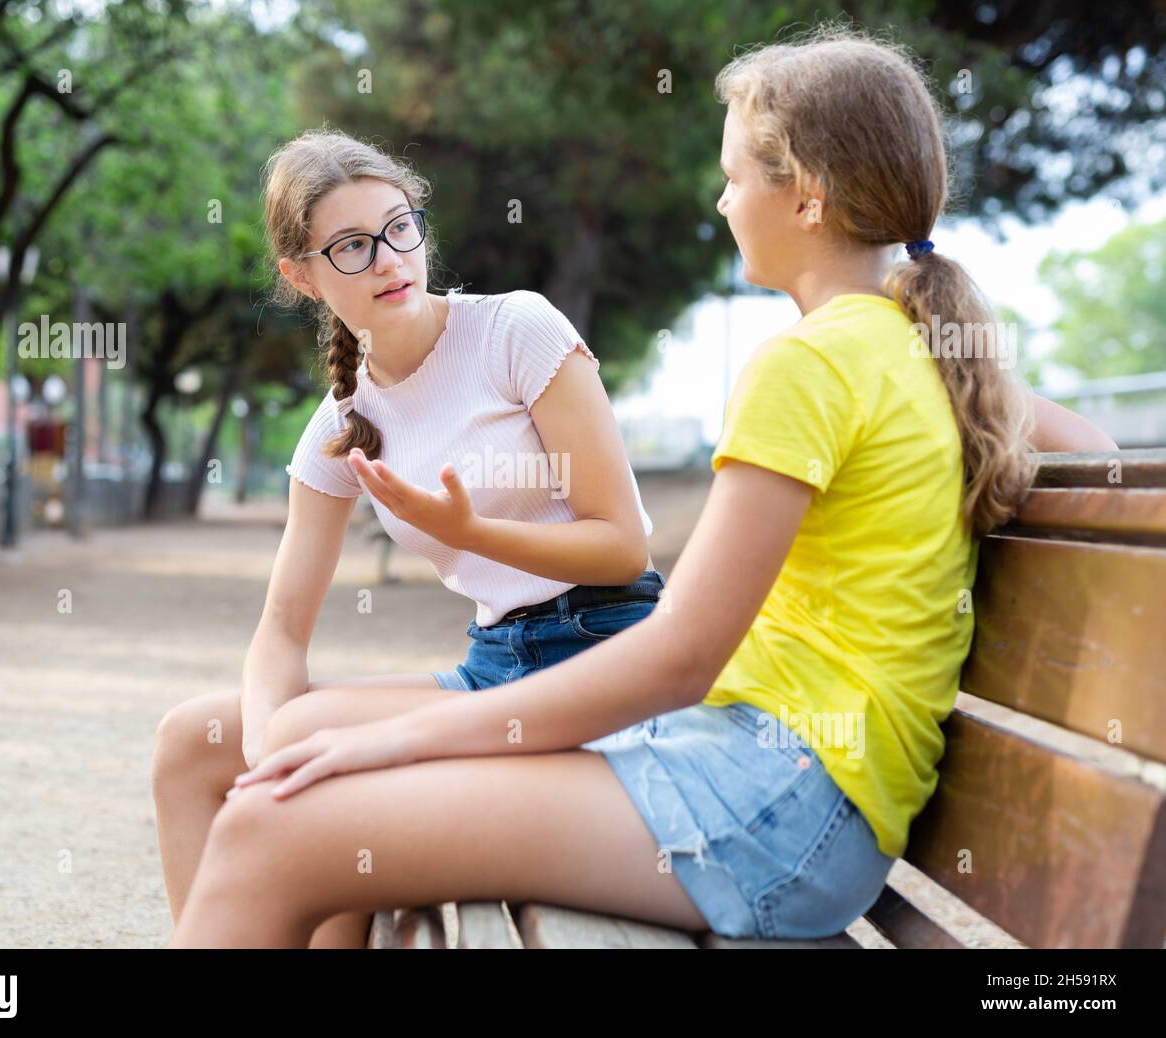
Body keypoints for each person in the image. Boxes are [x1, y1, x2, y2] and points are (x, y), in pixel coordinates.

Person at [169, 27, 1117, 948]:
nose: (720, 201)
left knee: (271, 827)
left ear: (808, 198)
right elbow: (1097, 453)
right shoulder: (920, 349)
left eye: (736, 176)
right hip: (778, 786)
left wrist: (404, 738)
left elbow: (677, 659)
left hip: (774, 805)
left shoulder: (809, 366)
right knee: (291, 807)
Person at [152, 129, 666, 947]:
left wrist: (472, 533)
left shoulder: (516, 331)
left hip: (604, 652)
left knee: (308, 770)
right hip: (493, 666)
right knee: (191, 742)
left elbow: (623, 548)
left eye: (399, 227)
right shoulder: (336, 429)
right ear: (302, 275)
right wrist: (266, 746)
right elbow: (281, 632)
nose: (389, 259)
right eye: (351, 247)